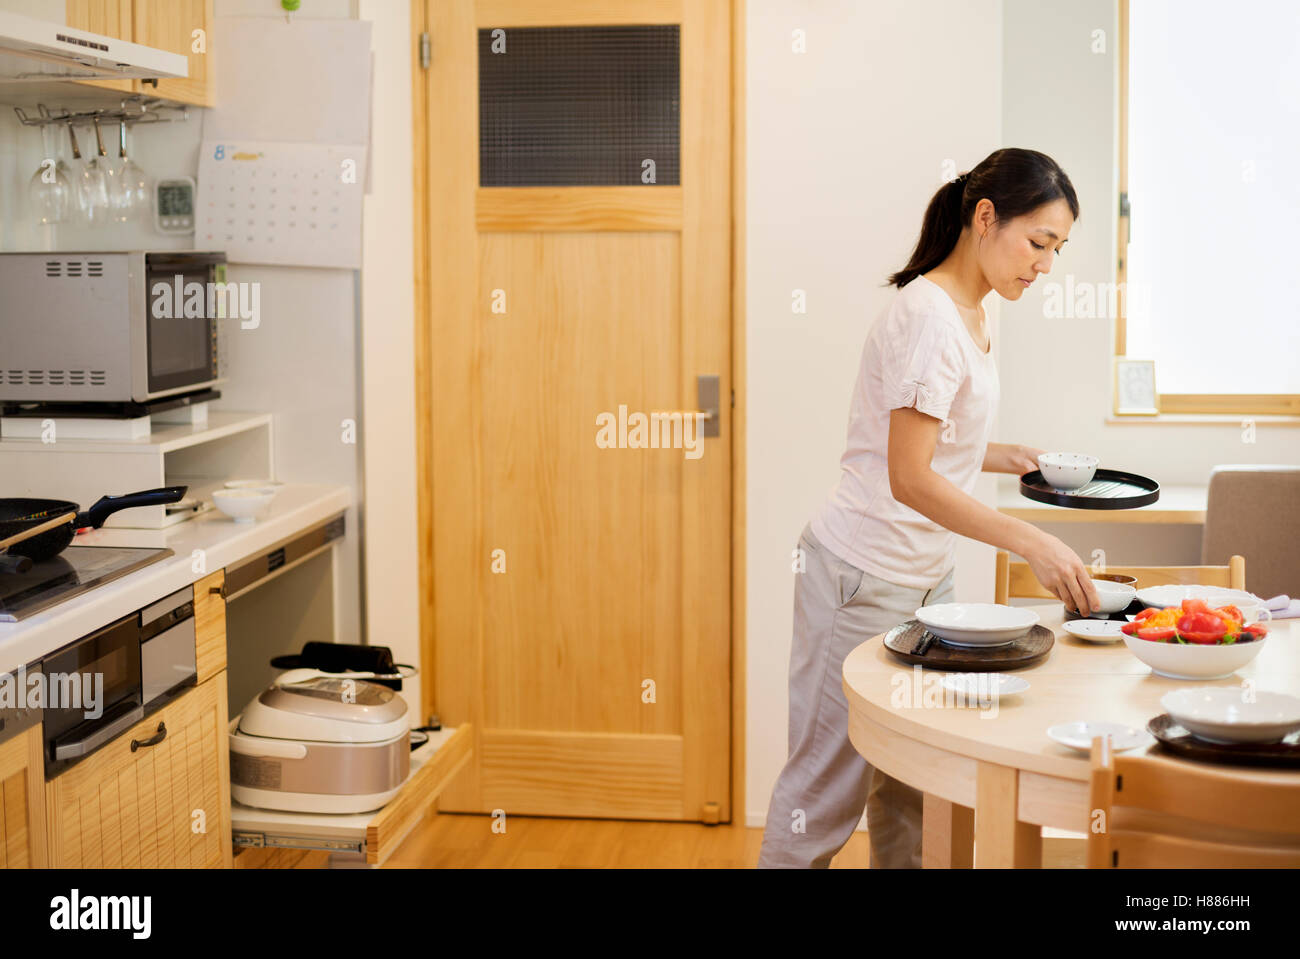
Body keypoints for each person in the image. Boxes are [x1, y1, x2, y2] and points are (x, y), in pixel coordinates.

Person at [757, 147, 1102, 869]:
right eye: (1038, 242)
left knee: (915, 778)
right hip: (859, 576)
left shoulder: (975, 310)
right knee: (823, 791)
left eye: (1057, 251)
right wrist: (1027, 540)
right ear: (985, 217)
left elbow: (935, 440)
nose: (1044, 266)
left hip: (923, 582)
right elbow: (909, 477)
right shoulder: (927, 316)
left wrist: (1007, 455)